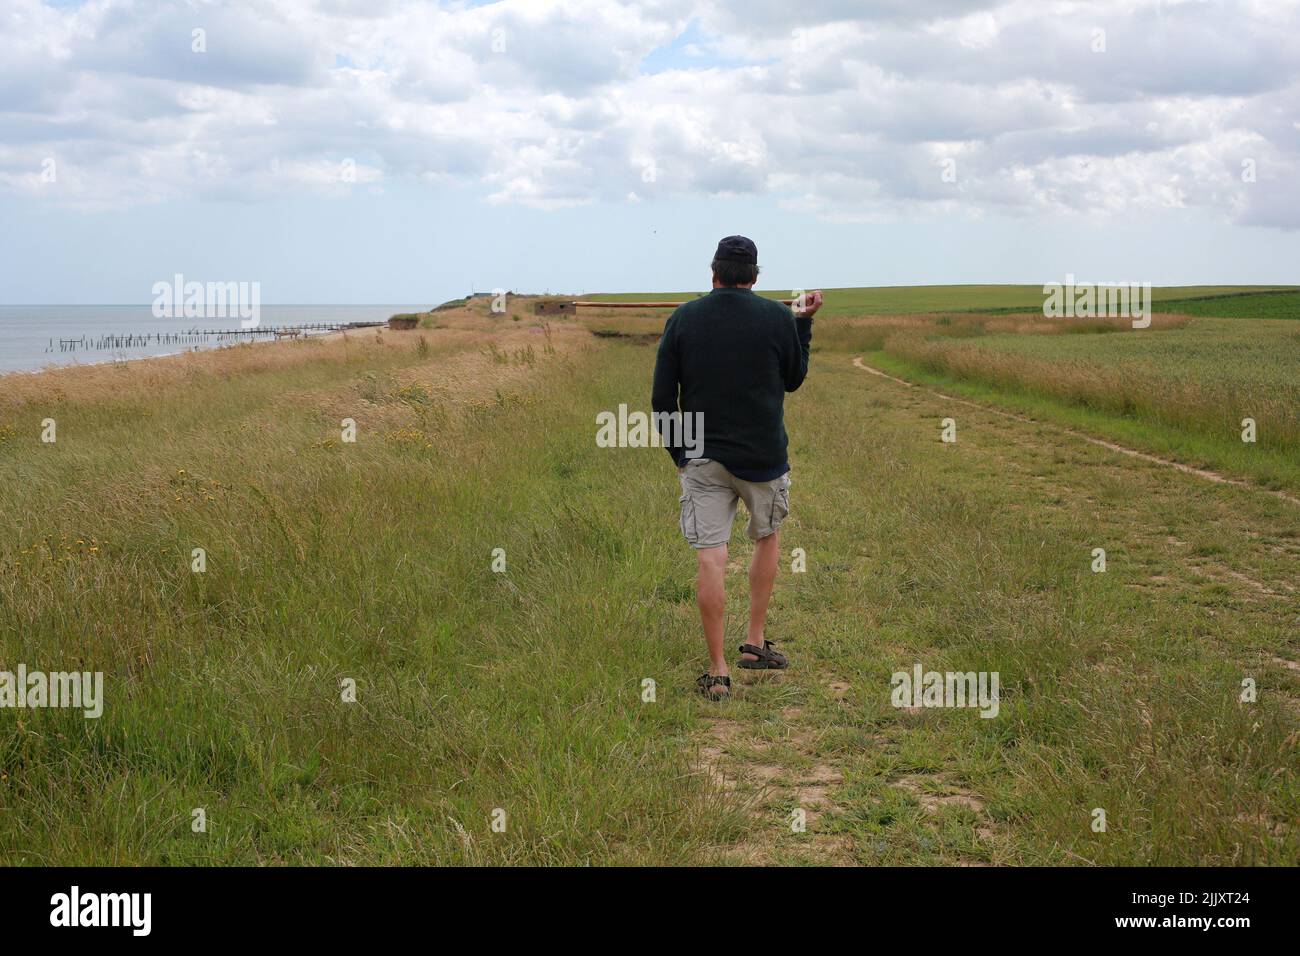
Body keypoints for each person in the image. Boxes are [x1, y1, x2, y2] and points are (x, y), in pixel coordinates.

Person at [651, 235, 822, 699]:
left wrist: (680, 455)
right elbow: (794, 379)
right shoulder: (776, 317)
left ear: (714, 273)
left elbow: (663, 399)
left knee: (712, 557)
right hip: (764, 457)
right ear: (754, 276)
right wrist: (802, 325)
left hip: (703, 458)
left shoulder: (684, 319)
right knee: (766, 538)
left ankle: (719, 670)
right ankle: (754, 642)